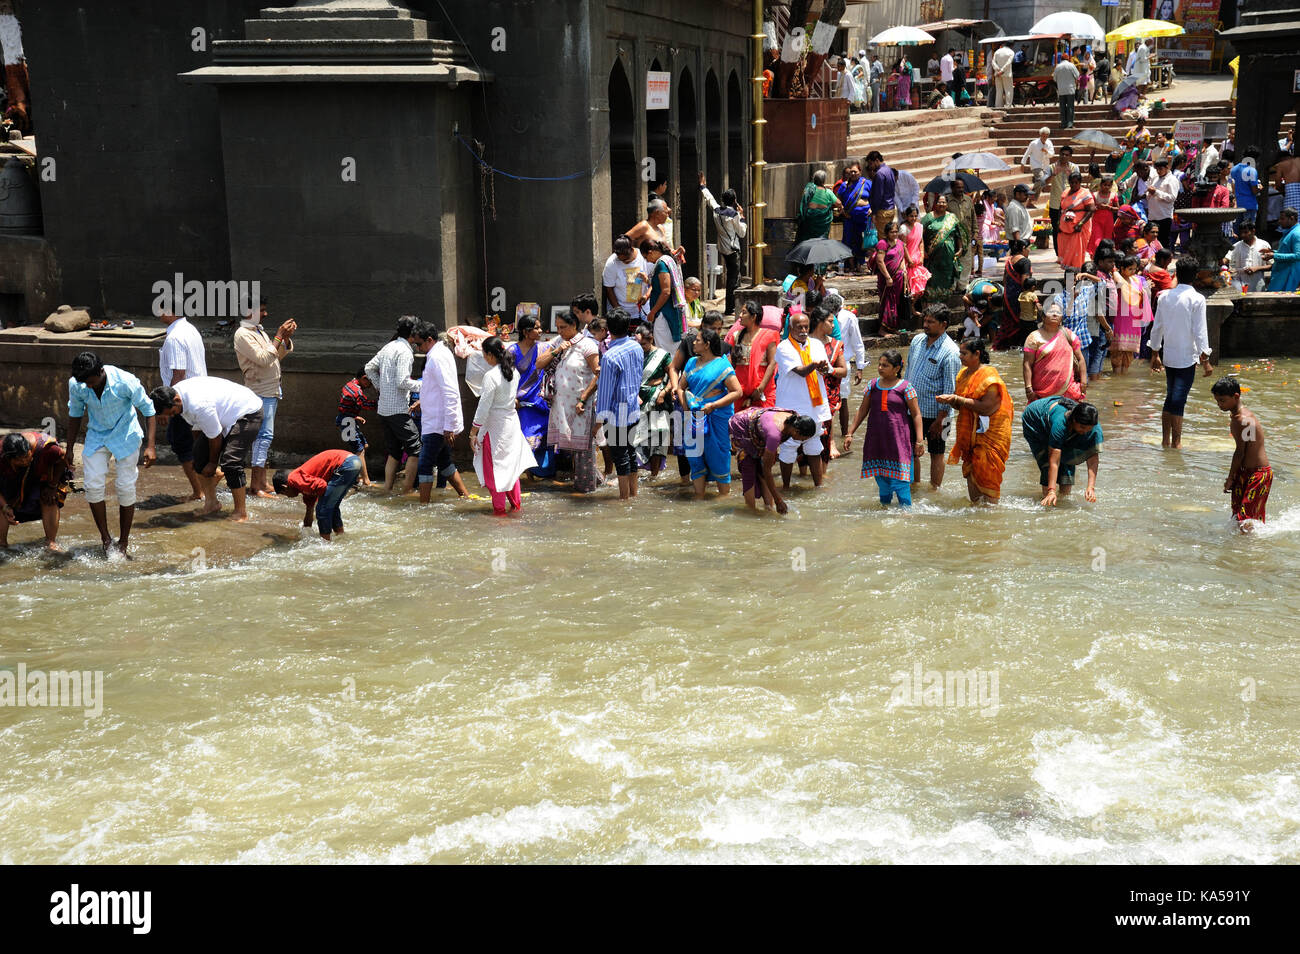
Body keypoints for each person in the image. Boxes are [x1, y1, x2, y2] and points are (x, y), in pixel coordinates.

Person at [65, 352, 158, 556]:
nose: (87, 386)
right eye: (84, 383)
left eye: (91, 382)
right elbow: (75, 414)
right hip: (97, 434)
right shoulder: (77, 383)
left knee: (125, 486)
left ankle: (123, 541)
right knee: (92, 485)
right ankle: (106, 539)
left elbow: (149, 410)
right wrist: (69, 448)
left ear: (101, 372)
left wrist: (150, 446)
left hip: (126, 433)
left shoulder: (125, 382)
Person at [147, 376, 263, 522]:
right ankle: (211, 503)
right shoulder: (178, 396)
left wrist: (213, 463)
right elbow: (197, 429)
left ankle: (241, 512)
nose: (171, 416)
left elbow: (215, 437)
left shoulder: (198, 405)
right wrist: (201, 454)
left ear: (176, 400)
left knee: (231, 463)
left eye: (172, 413)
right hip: (223, 414)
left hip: (247, 411)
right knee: (198, 458)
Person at [936, 337, 1013, 505]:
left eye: (964, 353)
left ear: (977, 354)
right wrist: (951, 401)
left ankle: (991, 516)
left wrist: (957, 398)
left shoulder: (989, 376)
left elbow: (987, 408)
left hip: (990, 434)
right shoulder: (962, 374)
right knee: (971, 470)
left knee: (987, 471)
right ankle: (976, 516)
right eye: (960, 353)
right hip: (969, 433)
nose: (960, 357)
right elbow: (962, 407)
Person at [843, 350, 923, 507]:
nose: (880, 368)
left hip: (898, 440)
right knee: (882, 478)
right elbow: (862, 410)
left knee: (901, 480)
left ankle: (906, 512)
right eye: (879, 364)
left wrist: (919, 441)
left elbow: (916, 415)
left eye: (885, 365)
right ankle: (884, 508)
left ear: (897, 368)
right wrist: (850, 433)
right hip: (877, 439)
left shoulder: (906, 388)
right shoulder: (872, 385)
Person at [233, 300, 296, 498]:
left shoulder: (258, 331)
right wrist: (278, 336)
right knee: (262, 438)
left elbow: (274, 357)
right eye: (261, 311)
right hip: (260, 390)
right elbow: (262, 358)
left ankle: (261, 482)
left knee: (264, 437)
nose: (266, 314)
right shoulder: (242, 334)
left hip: (270, 389)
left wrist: (284, 339)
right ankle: (256, 486)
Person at [1149, 256, 1214, 449]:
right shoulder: (1197, 299)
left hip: (1169, 355)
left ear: (1175, 274)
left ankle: (1165, 440)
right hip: (1186, 357)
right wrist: (1206, 359)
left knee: (1172, 397)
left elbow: (1157, 326)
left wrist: (1155, 353)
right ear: (1195, 277)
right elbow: (1200, 331)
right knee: (1178, 399)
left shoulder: (1164, 296)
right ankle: (1176, 443)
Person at [469, 337, 537, 515]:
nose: (484, 357)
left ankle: (499, 511)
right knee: (510, 468)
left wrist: (473, 432)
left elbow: (483, 407)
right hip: (511, 425)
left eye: (484, 354)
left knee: (495, 470)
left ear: (490, 355)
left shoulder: (491, 376)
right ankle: (516, 507)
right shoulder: (514, 372)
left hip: (495, 427)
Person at [676, 328, 742, 498]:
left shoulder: (722, 365)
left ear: (707, 345)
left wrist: (713, 405)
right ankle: (699, 496)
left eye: (697, 340)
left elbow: (737, 392)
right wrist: (686, 408)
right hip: (694, 415)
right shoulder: (691, 362)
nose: (693, 343)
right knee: (694, 455)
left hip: (715, 415)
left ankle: (723, 497)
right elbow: (681, 387)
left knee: (719, 454)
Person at [543, 308, 603, 493]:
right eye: (557, 327)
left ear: (574, 326)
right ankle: (597, 481)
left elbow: (598, 373)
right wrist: (556, 351)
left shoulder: (588, 345)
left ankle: (586, 490)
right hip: (563, 406)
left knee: (583, 450)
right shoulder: (558, 342)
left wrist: (584, 398)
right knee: (572, 448)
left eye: (563, 327)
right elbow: (539, 363)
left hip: (581, 406)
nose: (559, 331)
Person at [410, 323, 470, 502]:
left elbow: (450, 392)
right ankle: (465, 497)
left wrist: (449, 426)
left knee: (425, 463)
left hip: (438, 423)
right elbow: (436, 387)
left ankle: (423, 505)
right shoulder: (438, 353)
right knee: (444, 462)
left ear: (429, 340)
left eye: (419, 344)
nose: (418, 348)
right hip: (436, 420)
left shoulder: (437, 357)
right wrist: (423, 400)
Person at [365, 315, 422, 494]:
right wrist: (425, 385)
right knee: (416, 449)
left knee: (394, 452)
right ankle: (406, 491)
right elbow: (403, 381)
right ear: (413, 334)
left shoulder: (388, 347)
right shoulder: (405, 351)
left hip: (384, 409)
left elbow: (368, 368)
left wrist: (381, 387)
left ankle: (387, 489)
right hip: (398, 409)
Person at [905, 304, 960, 489]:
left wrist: (941, 418)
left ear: (943, 324)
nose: (925, 324)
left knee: (937, 453)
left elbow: (950, 390)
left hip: (939, 415)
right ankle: (915, 487)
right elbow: (908, 374)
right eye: (925, 320)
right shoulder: (917, 341)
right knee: (912, 451)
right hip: (913, 410)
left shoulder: (951, 352)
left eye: (931, 322)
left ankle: (934, 489)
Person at [156, 306, 208, 500]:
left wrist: (165, 408)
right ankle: (204, 489)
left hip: (183, 401)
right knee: (195, 444)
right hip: (197, 396)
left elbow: (179, 374)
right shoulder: (190, 329)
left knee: (182, 444)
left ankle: (199, 492)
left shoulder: (175, 337)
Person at [774, 310, 830, 489]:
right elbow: (800, 371)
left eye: (806, 326)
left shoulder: (816, 344)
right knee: (789, 445)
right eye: (799, 327)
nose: (803, 330)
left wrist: (823, 368)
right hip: (792, 406)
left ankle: (818, 486)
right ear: (790, 328)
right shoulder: (784, 347)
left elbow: (826, 370)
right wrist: (815, 365)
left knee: (814, 444)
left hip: (814, 405)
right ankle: (786, 487)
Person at [593, 309, 643, 500]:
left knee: (621, 458)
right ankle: (633, 495)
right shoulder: (636, 347)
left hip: (615, 414)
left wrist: (598, 422)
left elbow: (605, 394)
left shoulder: (610, 356)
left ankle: (624, 500)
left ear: (608, 330)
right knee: (630, 454)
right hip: (632, 410)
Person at [1212, 376, 1272, 531]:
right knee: (1239, 517)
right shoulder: (1240, 418)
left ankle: (1249, 551)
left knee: (1245, 521)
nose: (1219, 405)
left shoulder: (1243, 420)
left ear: (1236, 396)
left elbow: (1240, 452)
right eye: (1217, 401)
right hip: (1245, 471)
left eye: (1222, 401)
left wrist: (1230, 477)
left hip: (1258, 474)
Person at [728, 408, 814, 514]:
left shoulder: (795, 421)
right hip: (742, 425)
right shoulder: (774, 435)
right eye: (803, 438)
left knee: (760, 467)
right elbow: (767, 470)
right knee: (749, 466)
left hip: (759, 429)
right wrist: (779, 500)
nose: (802, 441)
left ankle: (769, 509)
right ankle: (751, 511)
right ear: (797, 431)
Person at [1021, 398, 1103, 507]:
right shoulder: (1060, 425)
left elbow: (1092, 459)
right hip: (1035, 420)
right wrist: (1051, 491)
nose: (1085, 432)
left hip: (1058, 419)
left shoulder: (1094, 429)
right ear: (1074, 420)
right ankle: (1047, 499)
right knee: (1046, 461)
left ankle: (1063, 498)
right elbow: (1054, 462)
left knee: (1068, 459)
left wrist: (1090, 487)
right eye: (1082, 427)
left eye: (1089, 429)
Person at [0, 431, 69, 551]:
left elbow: (63, 458)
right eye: (20, 460)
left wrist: (52, 486)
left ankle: (51, 542)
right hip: (10, 479)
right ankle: (2, 544)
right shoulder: (1, 457)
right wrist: (5, 506)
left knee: (49, 498)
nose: (25, 461)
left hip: (42, 473)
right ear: (8, 459)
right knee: (1, 507)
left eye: (27, 456)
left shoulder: (47, 449)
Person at [273, 449, 362, 542]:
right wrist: (306, 532)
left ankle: (326, 545)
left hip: (345, 464)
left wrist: (321, 503)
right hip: (353, 462)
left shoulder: (294, 479)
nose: (288, 497)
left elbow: (322, 486)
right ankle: (341, 537)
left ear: (285, 487)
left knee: (322, 509)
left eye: (284, 494)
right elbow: (309, 510)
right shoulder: (303, 484)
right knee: (333, 507)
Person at [507, 314, 556, 479]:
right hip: (522, 403)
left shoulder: (544, 348)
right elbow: (505, 377)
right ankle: (527, 475)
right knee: (526, 439)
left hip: (542, 402)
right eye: (536, 328)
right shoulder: (512, 351)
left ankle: (543, 473)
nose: (540, 331)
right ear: (525, 332)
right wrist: (511, 398)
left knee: (544, 440)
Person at [699, 173, 747, 315]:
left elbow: (710, 199)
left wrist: (703, 187)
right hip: (733, 249)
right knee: (733, 279)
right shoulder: (734, 215)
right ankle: (730, 308)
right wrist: (742, 217)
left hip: (723, 248)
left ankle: (732, 306)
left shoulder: (716, 210)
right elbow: (742, 232)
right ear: (734, 201)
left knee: (733, 277)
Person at [1023, 301, 1087, 404]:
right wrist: (1028, 387)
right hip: (1041, 392)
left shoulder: (1069, 335)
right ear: (1043, 316)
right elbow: (1027, 364)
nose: (1055, 314)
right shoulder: (1034, 337)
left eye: (1058, 312)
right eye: (1051, 312)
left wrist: (1083, 383)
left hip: (1068, 390)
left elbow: (1080, 359)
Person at [633, 320, 673, 477]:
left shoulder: (662, 355)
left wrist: (664, 391)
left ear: (651, 339)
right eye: (638, 344)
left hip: (657, 400)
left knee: (658, 436)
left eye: (643, 344)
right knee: (636, 439)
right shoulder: (633, 354)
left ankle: (654, 475)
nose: (641, 347)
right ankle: (634, 474)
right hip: (637, 402)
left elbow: (672, 375)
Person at [809, 307, 847, 462]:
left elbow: (843, 371)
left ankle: (829, 443)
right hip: (808, 390)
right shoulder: (805, 343)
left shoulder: (836, 345)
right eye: (830, 322)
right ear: (819, 322)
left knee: (827, 420)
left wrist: (830, 370)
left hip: (828, 390)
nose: (834, 325)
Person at [727, 300, 778, 411]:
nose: (740, 316)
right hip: (739, 390)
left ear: (753, 316)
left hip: (763, 390)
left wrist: (760, 388)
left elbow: (772, 363)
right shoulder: (735, 336)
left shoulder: (769, 335)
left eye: (744, 312)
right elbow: (730, 363)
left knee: (762, 423)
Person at [1108, 254, 1150, 375]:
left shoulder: (1136, 280)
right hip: (1120, 318)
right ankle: (1117, 379)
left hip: (1133, 318)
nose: (1133, 271)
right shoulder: (1117, 279)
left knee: (1128, 355)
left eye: (1134, 269)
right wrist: (1115, 271)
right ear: (1122, 268)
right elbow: (1116, 277)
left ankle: (1123, 378)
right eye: (1130, 269)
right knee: (1117, 352)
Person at [644, 239, 687, 352]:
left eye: (646, 257)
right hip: (669, 311)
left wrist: (653, 312)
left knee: (664, 350)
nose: (648, 261)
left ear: (650, 252)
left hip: (664, 313)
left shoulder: (661, 264)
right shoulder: (668, 260)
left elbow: (666, 291)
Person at [336, 368, 377, 485]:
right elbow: (366, 405)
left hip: (348, 419)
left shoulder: (350, 384)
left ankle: (357, 476)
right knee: (359, 450)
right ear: (364, 378)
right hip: (347, 422)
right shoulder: (356, 391)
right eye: (370, 382)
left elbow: (345, 404)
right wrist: (382, 401)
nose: (371, 385)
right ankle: (366, 481)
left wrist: (354, 416)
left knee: (363, 445)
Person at [834, 159, 873, 271]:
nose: (853, 174)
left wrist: (871, 208)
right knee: (849, 240)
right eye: (851, 172)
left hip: (863, 218)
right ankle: (849, 265)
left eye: (855, 171)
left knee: (861, 241)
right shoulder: (844, 186)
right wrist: (842, 211)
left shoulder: (866, 183)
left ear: (860, 172)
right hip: (849, 218)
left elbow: (874, 198)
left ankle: (860, 264)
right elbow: (837, 199)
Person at [872, 220, 909, 333]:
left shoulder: (900, 243)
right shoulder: (883, 244)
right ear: (887, 233)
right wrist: (888, 277)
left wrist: (904, 271)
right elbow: (880, 261)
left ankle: (892, 327)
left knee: (896, 302)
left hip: (899, 278)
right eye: (892, 232)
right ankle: (882, 329)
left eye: (896, 231)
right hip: (887, 279)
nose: (894, 234)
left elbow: (902, 258)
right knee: (887, 302)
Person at [921, 194, 962, 295]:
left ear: (947, 204)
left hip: (948, 257)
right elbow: (920, 235)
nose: (941, 204)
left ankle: (945, 304)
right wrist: (923, 251)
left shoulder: (952, 218)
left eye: (944, 202)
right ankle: (931, 303)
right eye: (939, 202)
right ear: (935, 203)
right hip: (933, 256)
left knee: (947, 278)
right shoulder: (928, 217)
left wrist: (960, 249)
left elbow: (959, 235)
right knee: (933, 278)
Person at [602, 234, 650, 319]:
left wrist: (646, 296)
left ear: (632, 250)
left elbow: (654, 282)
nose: (624, 262)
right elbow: (609, 289)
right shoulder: (611, 263)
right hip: (621, 311)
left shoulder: (643, 257)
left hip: (643, 309)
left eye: (626, 259)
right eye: (621, 260)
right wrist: (619, 311)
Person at [625, 199, 685, 265]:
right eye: (666, 212)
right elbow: (624, 240)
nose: (667, 216)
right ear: (657, 213)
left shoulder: (661, 228)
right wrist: (634, 256)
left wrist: (676, 252)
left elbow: (663, 249)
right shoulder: (644, 226)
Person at [1057, 171, 1096, 272]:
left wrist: (1080, 224)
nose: (1073, 185)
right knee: (1066, 254)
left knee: (1075, 254)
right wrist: (1059, 223)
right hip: (1065, 229)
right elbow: (1060, 209)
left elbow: (1091, 210)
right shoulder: (1065, 192)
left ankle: (1076, 277)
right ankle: (1068, 279)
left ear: (1080, 182)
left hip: (1079, 228)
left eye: (1076, 182)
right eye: (1071, 183)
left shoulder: (1085, 193)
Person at [1048, 146, 1081, 253]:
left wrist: (1070, 175)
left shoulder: (1074, 168)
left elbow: (1078, 184)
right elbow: (1044, 182)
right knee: (1056, 228)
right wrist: (1054, 174)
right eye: (1062, 154)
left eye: (1067, 155)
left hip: (1070, 204)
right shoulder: (1052, 167)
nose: (1064, 156)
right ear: (1059, 154)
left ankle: (1068, 251)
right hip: (1055, 203)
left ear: (1070, 156)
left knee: (1069, 227)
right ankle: (1059, 253)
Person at [795, 169, 839, 244]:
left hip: (810, 221)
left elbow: (804, 202)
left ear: (814, 179)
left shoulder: (809, 189)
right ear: (824, 180)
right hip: (823, 223)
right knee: (821, 242)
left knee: (808, 241)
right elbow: (838, 203)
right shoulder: (828, 192)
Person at [1145, 156, 1180, 248]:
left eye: (1160, 169)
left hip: (1164, 216)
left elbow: (1172, 197)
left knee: (1163, 242)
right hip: (1153, 215)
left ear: (1167, 167)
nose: (1158, 171)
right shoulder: (1156, 179)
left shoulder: (1172, 180)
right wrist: (1150, 193)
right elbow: (1150, 195)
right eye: (1157, 169)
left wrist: (1156, 192)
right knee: (1152, 242)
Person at [899, 205, 931, 303]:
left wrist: (921, 255)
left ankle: (914, 306)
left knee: (918, 284)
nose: (913, 218)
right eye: (911, 216)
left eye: (915, 216)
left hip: (917, 259)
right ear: (906, 216)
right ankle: (910, 308)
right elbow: (903, 246)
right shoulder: (903, 228)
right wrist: (909, 260)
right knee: (909, 285)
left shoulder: (919, 226)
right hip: (907, 260)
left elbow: (921, 242)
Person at [866, 151, 897, 239]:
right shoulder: (889, 170)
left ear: (876, 160)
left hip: (883, 210)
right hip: (890, 208)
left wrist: (874, 213)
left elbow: (878, 195)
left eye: (871, 163)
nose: (870, 166)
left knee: (882, 238)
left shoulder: (880, 174)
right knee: (888, 237)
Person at [1231, 147, 1263, 233]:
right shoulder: (1252, 171)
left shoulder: (1234, 169)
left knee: (1237, 230)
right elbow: (1254, 190)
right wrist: (1259, 188)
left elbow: (1232, 184)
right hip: (1249, 204)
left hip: (1238, 204)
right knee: (1248, 231)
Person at [1267, 207, 1300, 291]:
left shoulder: (1296, 233)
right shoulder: (1289, 232)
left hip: (1288, 275)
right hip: (1281, 274)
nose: (1279, 221)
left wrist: (1275, 255)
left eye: (1282, 219)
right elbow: (1287, 251)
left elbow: (1298, 256)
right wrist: (1272, 252)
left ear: (1291, 218)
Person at [1020, 128, 1055, 196]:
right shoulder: (1034, 143)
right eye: (1043, 136)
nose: (1045, 138)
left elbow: (1052, 154)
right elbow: (1027, 153)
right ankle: (1031, 195)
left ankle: (1032, 198)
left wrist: (1046, 152)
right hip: (1035, 164)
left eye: (1046, 136)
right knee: (1041, 179)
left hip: (1045, 165)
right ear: (1040, 135)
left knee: (1042, 182)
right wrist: (1022, 164)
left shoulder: (1049, 143)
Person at [1088, 178, 1117, 256]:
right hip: (1097, 220)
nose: (1106, 187)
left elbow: (1118, 208)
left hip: (1108, 221)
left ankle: (1106, 257)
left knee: (1107, 239)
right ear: (1101, 185)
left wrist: (1108, 207)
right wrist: (1098, 207)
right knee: (1097, 239)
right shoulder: (1094, 195)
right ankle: (1095, 256)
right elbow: (1091, 208)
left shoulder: (1113, 195)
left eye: (1109, 185)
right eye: (1105, 185)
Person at [1053, 54, 1079, 130]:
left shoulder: (1058, 67)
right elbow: (1077, 76)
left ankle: (1063, 123)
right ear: (1068, 59)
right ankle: (1070, 124)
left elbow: (1054, 78)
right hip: (1070, 89)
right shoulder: (1071, 65)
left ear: (1061, 59)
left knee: (1062, 107)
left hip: (1061, 90)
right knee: (1070, 107)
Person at [991, 41, 1015, 108]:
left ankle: (998, 106)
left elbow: (993, 62)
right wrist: (1002, 71)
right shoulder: (1011, 52)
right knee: (1008, 90)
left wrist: (998, 70)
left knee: (999, 91)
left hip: (997, 74)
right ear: (1011, 46)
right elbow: (1008, 63)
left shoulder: (997, 52)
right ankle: (1008, 106)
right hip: (1007, 74)